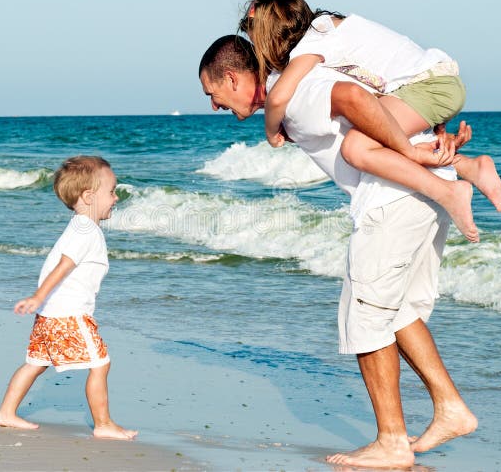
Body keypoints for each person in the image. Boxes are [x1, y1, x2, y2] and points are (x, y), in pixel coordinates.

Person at [199, 35, 477, 468]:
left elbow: (350, 96)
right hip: (419, 199)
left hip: (390, 201)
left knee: (365, 318)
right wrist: (430, 146)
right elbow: (379, 97)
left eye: (212, 94)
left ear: (232, 78)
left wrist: (408, 151)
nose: (213, 105)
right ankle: (450, 407)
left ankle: (392, 442)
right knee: (397, 312)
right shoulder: (302, 86)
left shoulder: (296, 95)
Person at [240, 0, 501, 243]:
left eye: (256, 43)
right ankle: (469, 167)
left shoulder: (313, 43)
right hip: (435, 81)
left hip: (430, 86)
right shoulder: (328, 28)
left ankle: (450, 193)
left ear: (269, 36)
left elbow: (278, 97)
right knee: (379, 138)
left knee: (357, 148)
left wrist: (271, 132)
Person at [0, 156, 138, 440]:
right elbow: (64, 265)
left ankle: (6, 412)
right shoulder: (87, 231)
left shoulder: (78, 226)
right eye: (111, 191)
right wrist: (37, 296)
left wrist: (40, 302)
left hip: (50, 314)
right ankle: (103, 423)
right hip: (68, 313)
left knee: (36, 362)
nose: (115, 197)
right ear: (88, 196)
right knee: (100, 363)